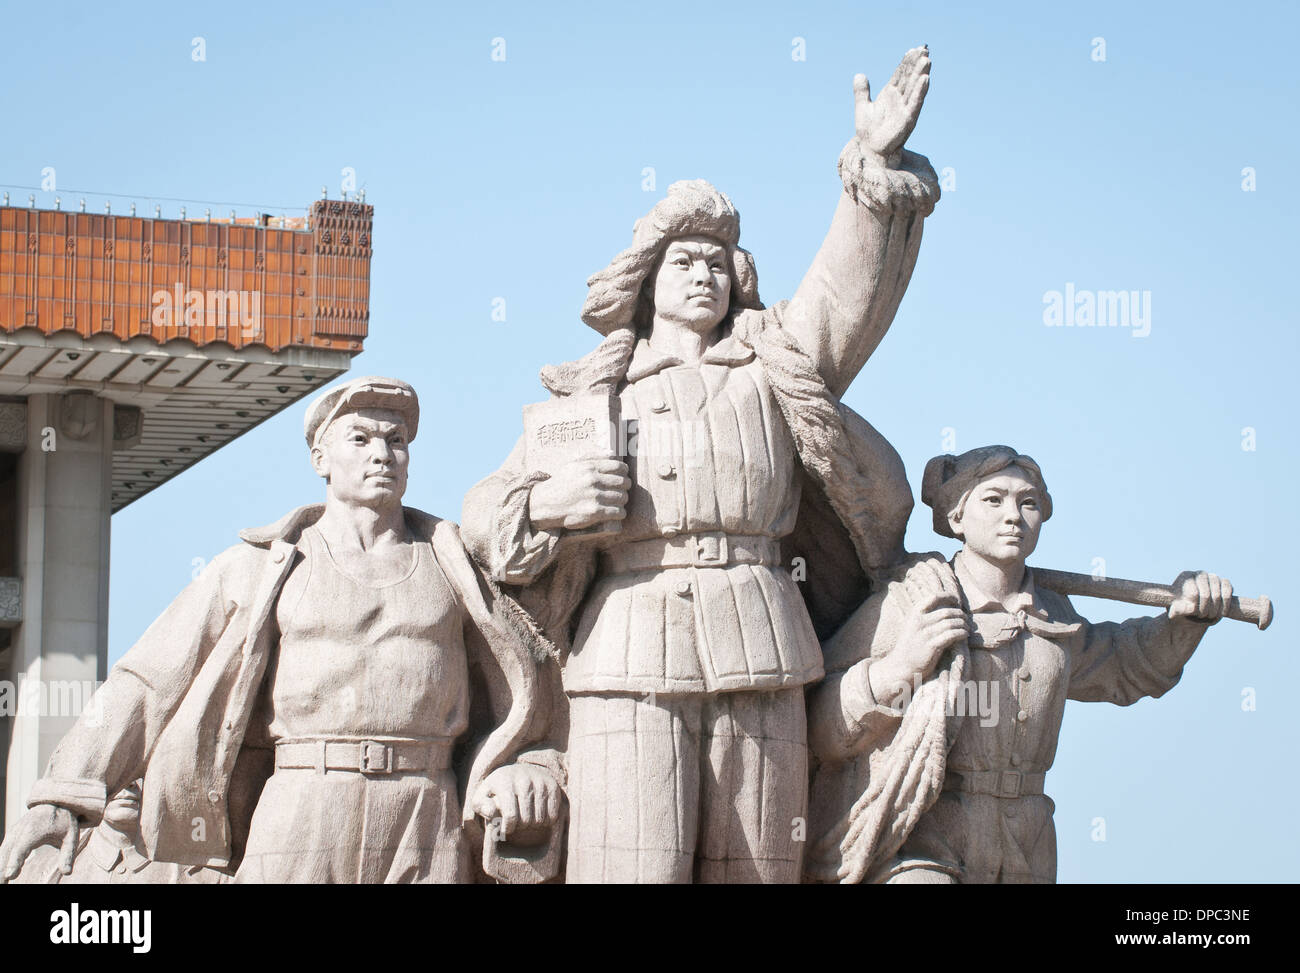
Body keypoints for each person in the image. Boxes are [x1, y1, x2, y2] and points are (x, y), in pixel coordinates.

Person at [462, 48, 941, 883]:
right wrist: (551, 506)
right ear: (646, 280)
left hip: (762, 643)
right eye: (685, 260)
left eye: (719, 262)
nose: (705, 275)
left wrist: (874, 164)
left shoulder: (775, 364)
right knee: (629, 868)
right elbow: (486, 514)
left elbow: (843, 300)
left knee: (755, 869)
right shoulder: (595, 393)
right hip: (625, 657)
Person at [0, 377, 562, 884]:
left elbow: (529, 672)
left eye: (396, 441)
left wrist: (527, 765)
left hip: (426, 803)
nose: (383, 455)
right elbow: (148, 680)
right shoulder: (264, 566)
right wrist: (63, 797)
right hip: (304, 800)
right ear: (321, 456)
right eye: (361, 439)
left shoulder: (455, 565)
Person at [804, 445, 1233, 884]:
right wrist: (898, 667)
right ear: (956, 517)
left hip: (1028, 841)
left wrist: (1184, 623)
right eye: (993, 499)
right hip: (919, 837)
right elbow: (823, 730)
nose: (1013, 515)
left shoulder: (1054, 615)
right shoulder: (914, 601)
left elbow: (1124, 665)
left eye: (1028, 502)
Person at [10, 782, 225, 884]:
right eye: (118, 768)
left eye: (141, 767)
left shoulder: (208, 874)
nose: (129, 782)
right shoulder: (36, 875)